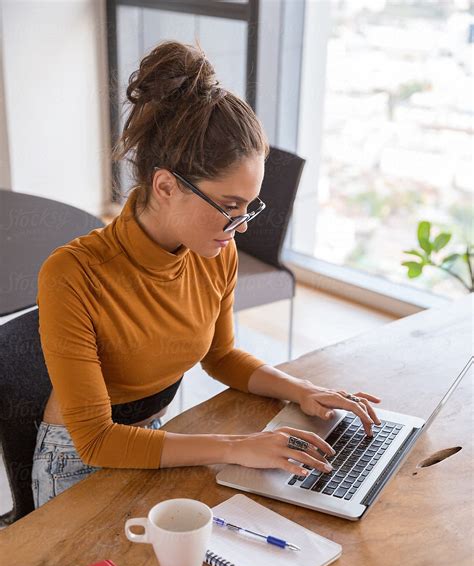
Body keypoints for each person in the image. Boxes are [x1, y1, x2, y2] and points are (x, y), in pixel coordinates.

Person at [31, 40, 381, 510]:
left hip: (161, 438)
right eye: (229, 206)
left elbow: (220, 356)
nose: (240, 225)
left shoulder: (215, 250)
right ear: (166, 186)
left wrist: (306, 392)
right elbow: (96, 440)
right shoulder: (73, 274)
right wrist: (237, 446)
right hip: (77, 459)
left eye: (249, 207)